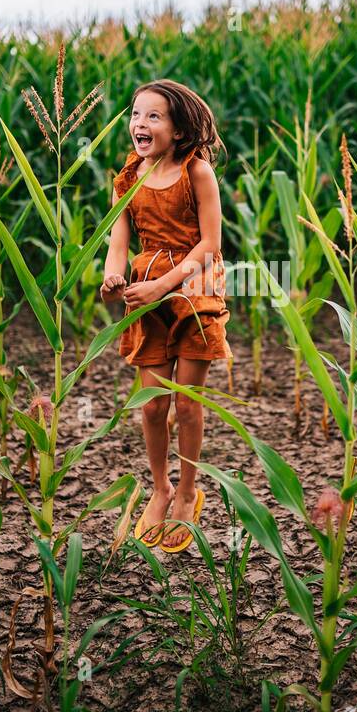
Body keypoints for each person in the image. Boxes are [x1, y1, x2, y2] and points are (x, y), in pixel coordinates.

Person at [100, 79, 232, 553]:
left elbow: (210, 244)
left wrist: (163, 283)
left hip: (194, 290)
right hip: (147, 296)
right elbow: (119, 242)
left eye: (154, 116)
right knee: (153, 404)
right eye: (136, 114)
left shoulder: (197, 173)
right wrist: (114, 277)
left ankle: (189, 492)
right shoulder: (127, 177)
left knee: (187, 403)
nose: (141, 123)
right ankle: (161, 488)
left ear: (177, 130)